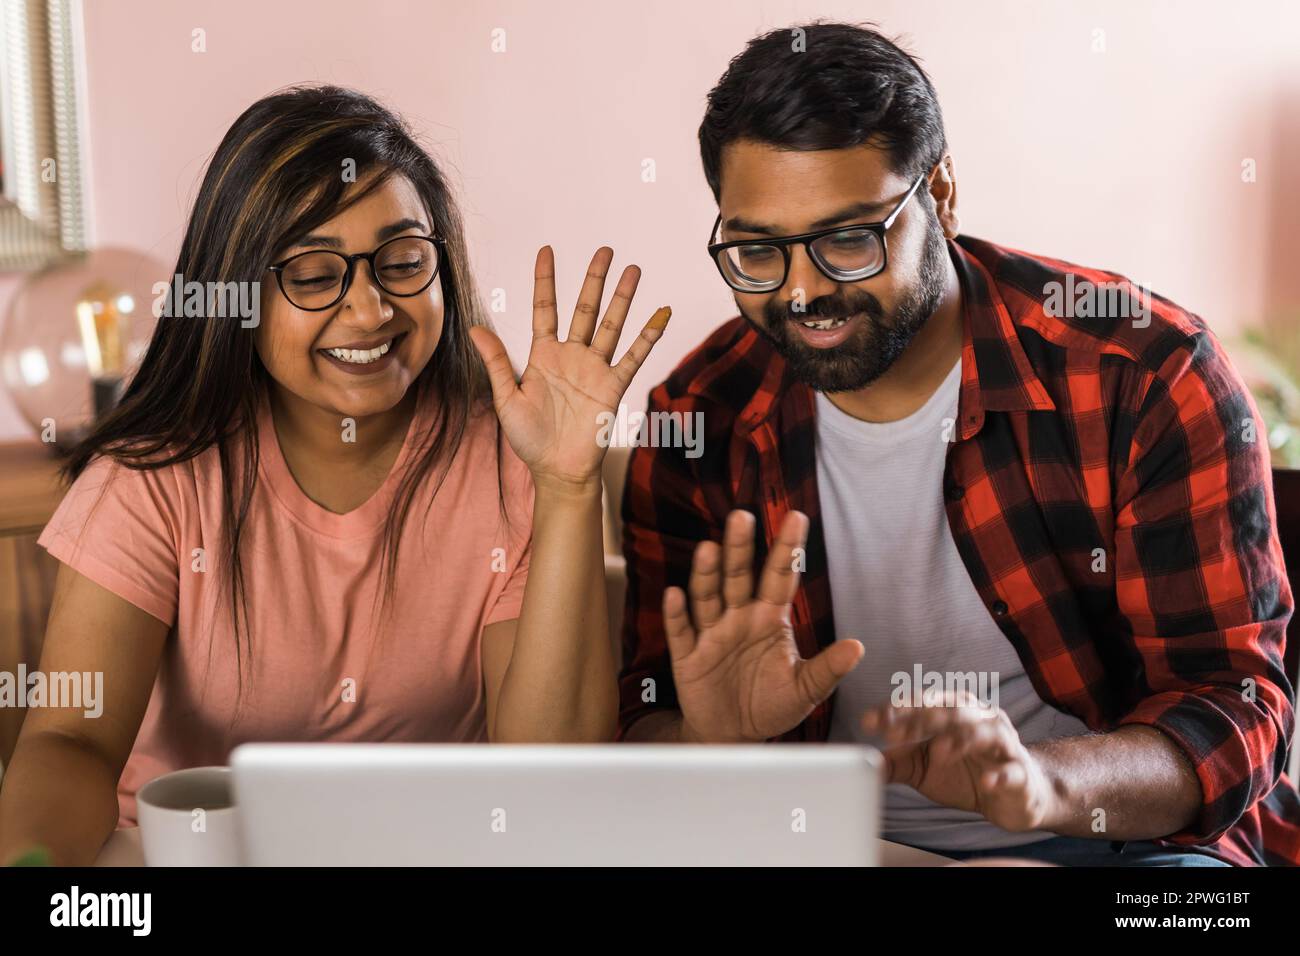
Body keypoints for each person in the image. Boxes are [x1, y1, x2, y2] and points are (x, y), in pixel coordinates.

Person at [616, 22, 1300, 866]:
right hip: (816, 849)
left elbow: (1230, 709)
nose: (802, 291)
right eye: (757, 250)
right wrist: (711, 741)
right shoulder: (702, 417)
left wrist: (1040, 786)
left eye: (848, 239)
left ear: (939, 192)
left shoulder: (1142, 372)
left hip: (1114, 850)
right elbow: (644, 723)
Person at [0, 85, 667, 866]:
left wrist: (566, 489)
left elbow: (551, 775)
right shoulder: (154, 479)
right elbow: (71, 742)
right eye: (315, 275)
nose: (369, 308)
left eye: (403, 261)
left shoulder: (508, 458)